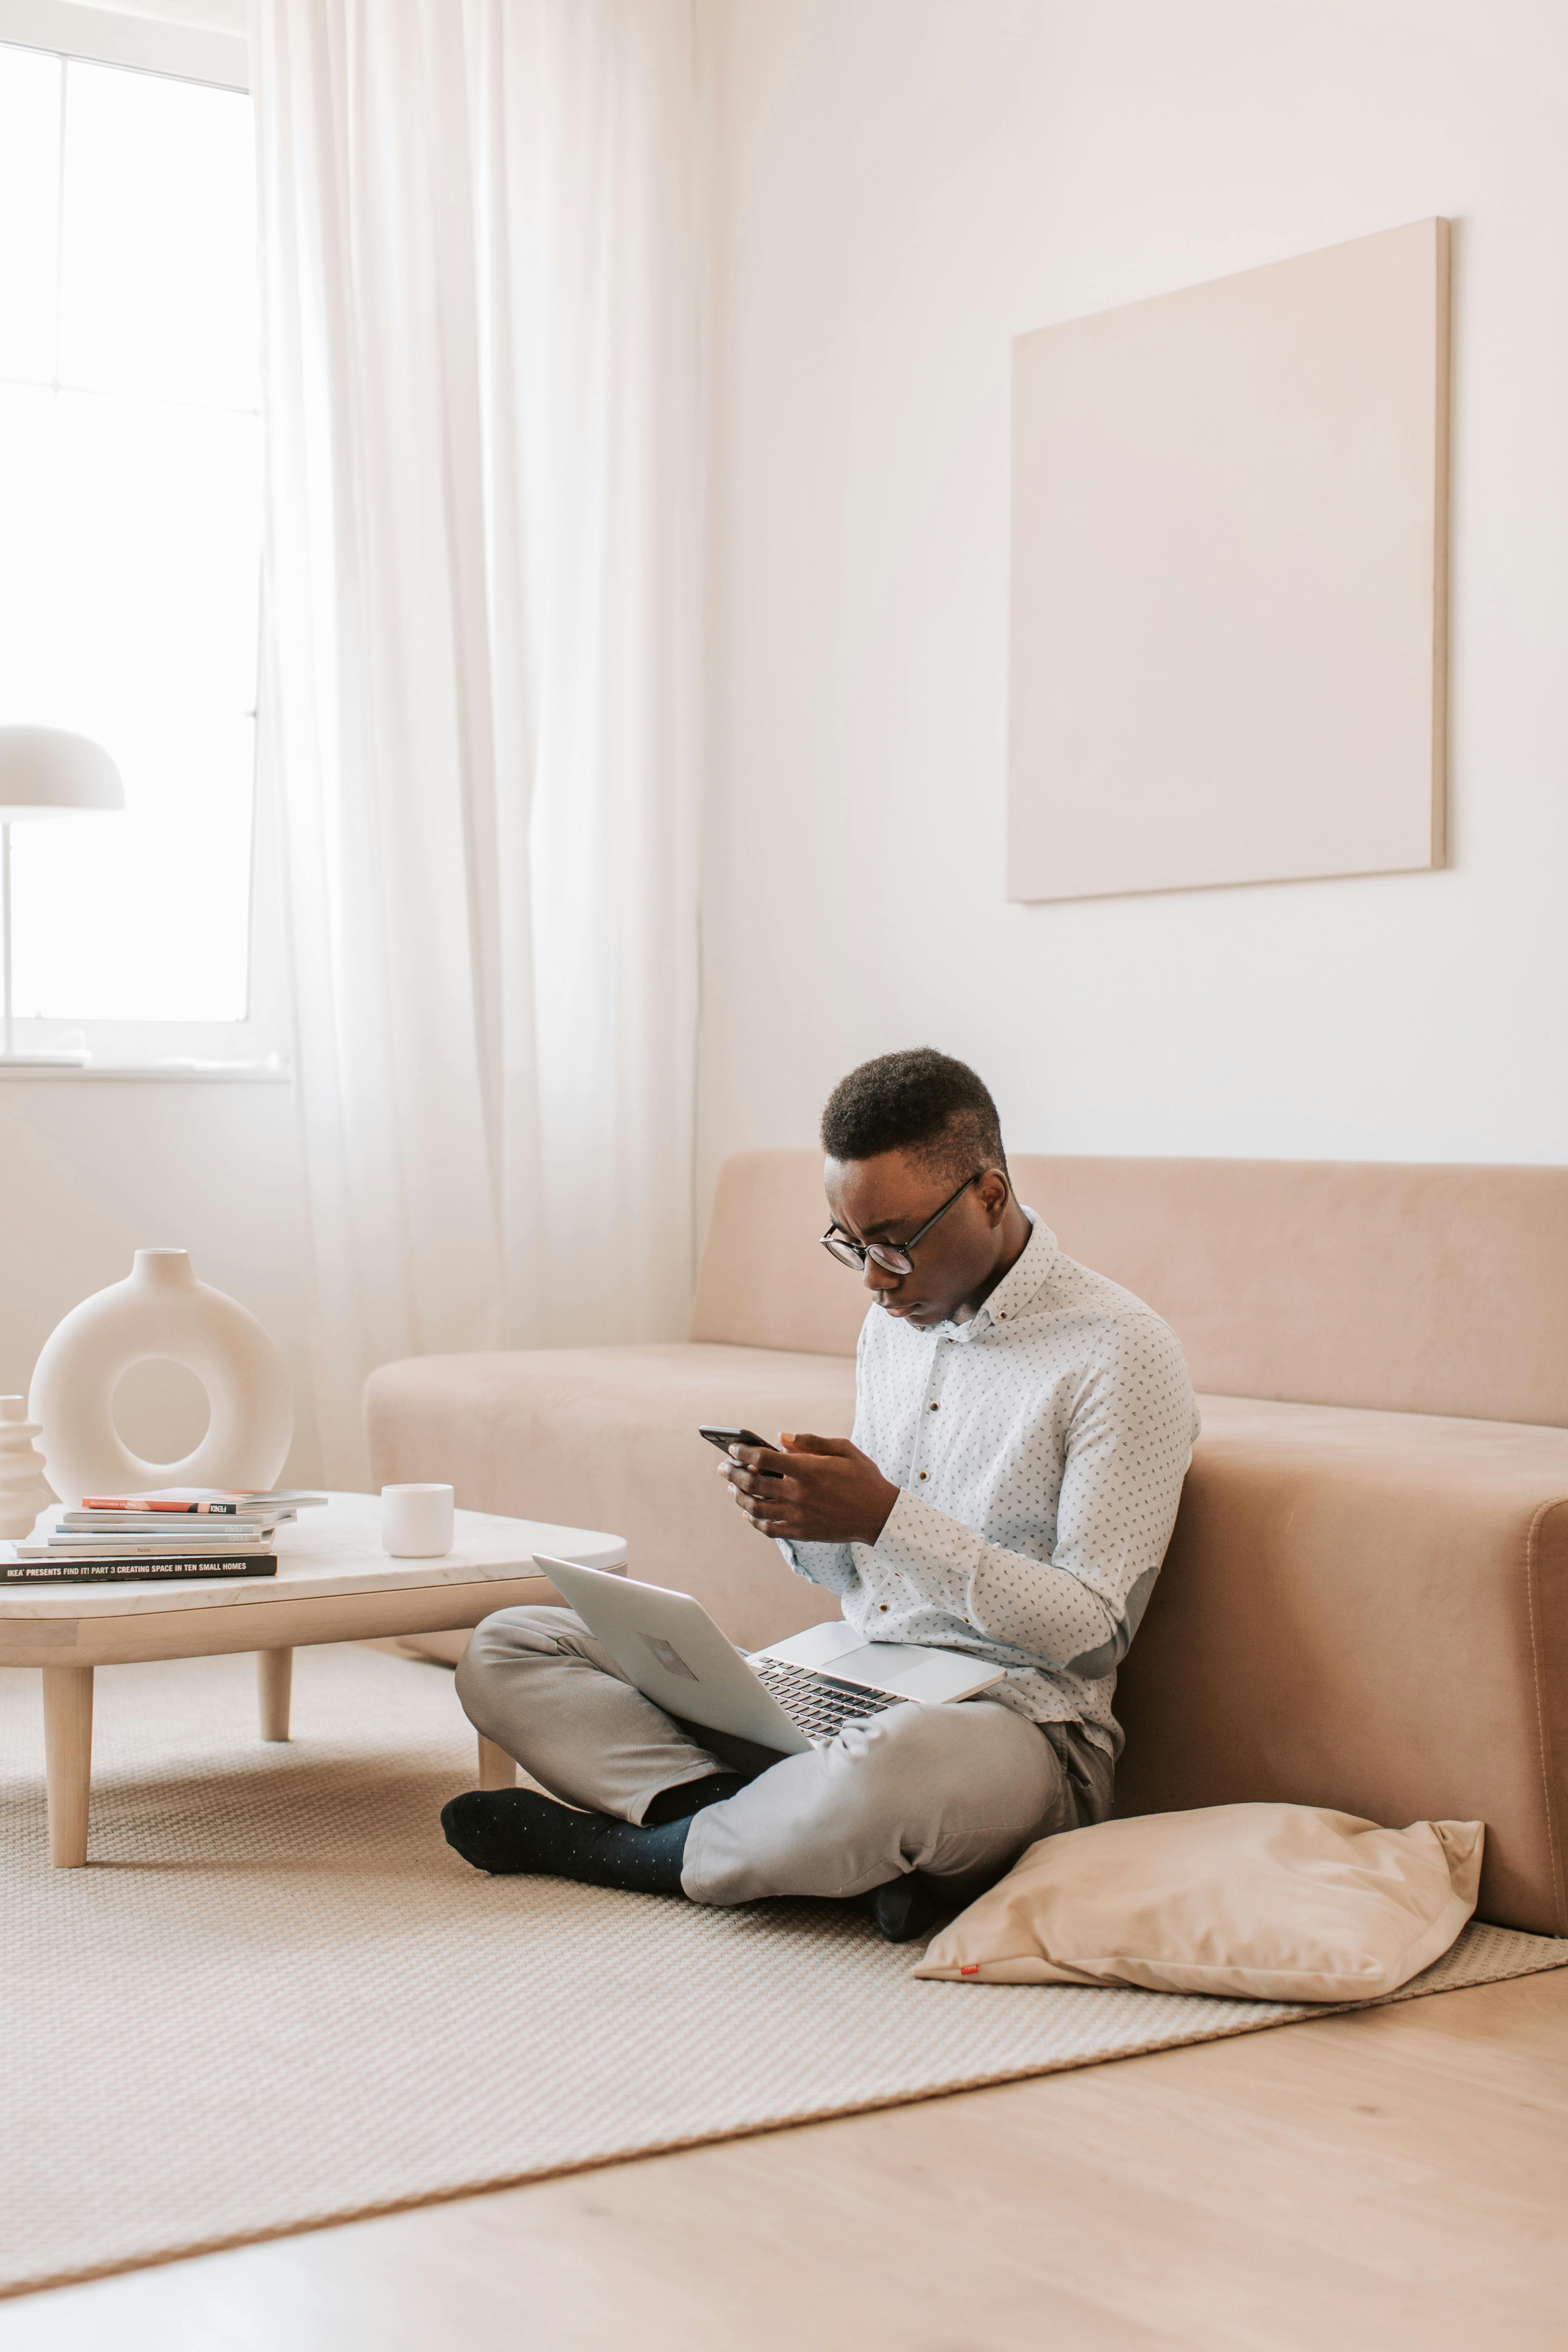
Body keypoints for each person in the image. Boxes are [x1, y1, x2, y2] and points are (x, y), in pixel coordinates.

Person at [444, 1047, 1199, 1940]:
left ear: (990, 1196)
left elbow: (1092, 1636)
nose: (876, 1279)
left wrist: (887, 1516)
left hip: (1014, 1728)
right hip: (855, 1681)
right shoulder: (896, 1327)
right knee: (512, 1646)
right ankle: (788, 1829)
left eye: (893, 1242)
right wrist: (804, 1520)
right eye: (851, 1244)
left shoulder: (1120, 1351)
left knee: (896, 1773)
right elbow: (860, 1581)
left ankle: (645, 1852)